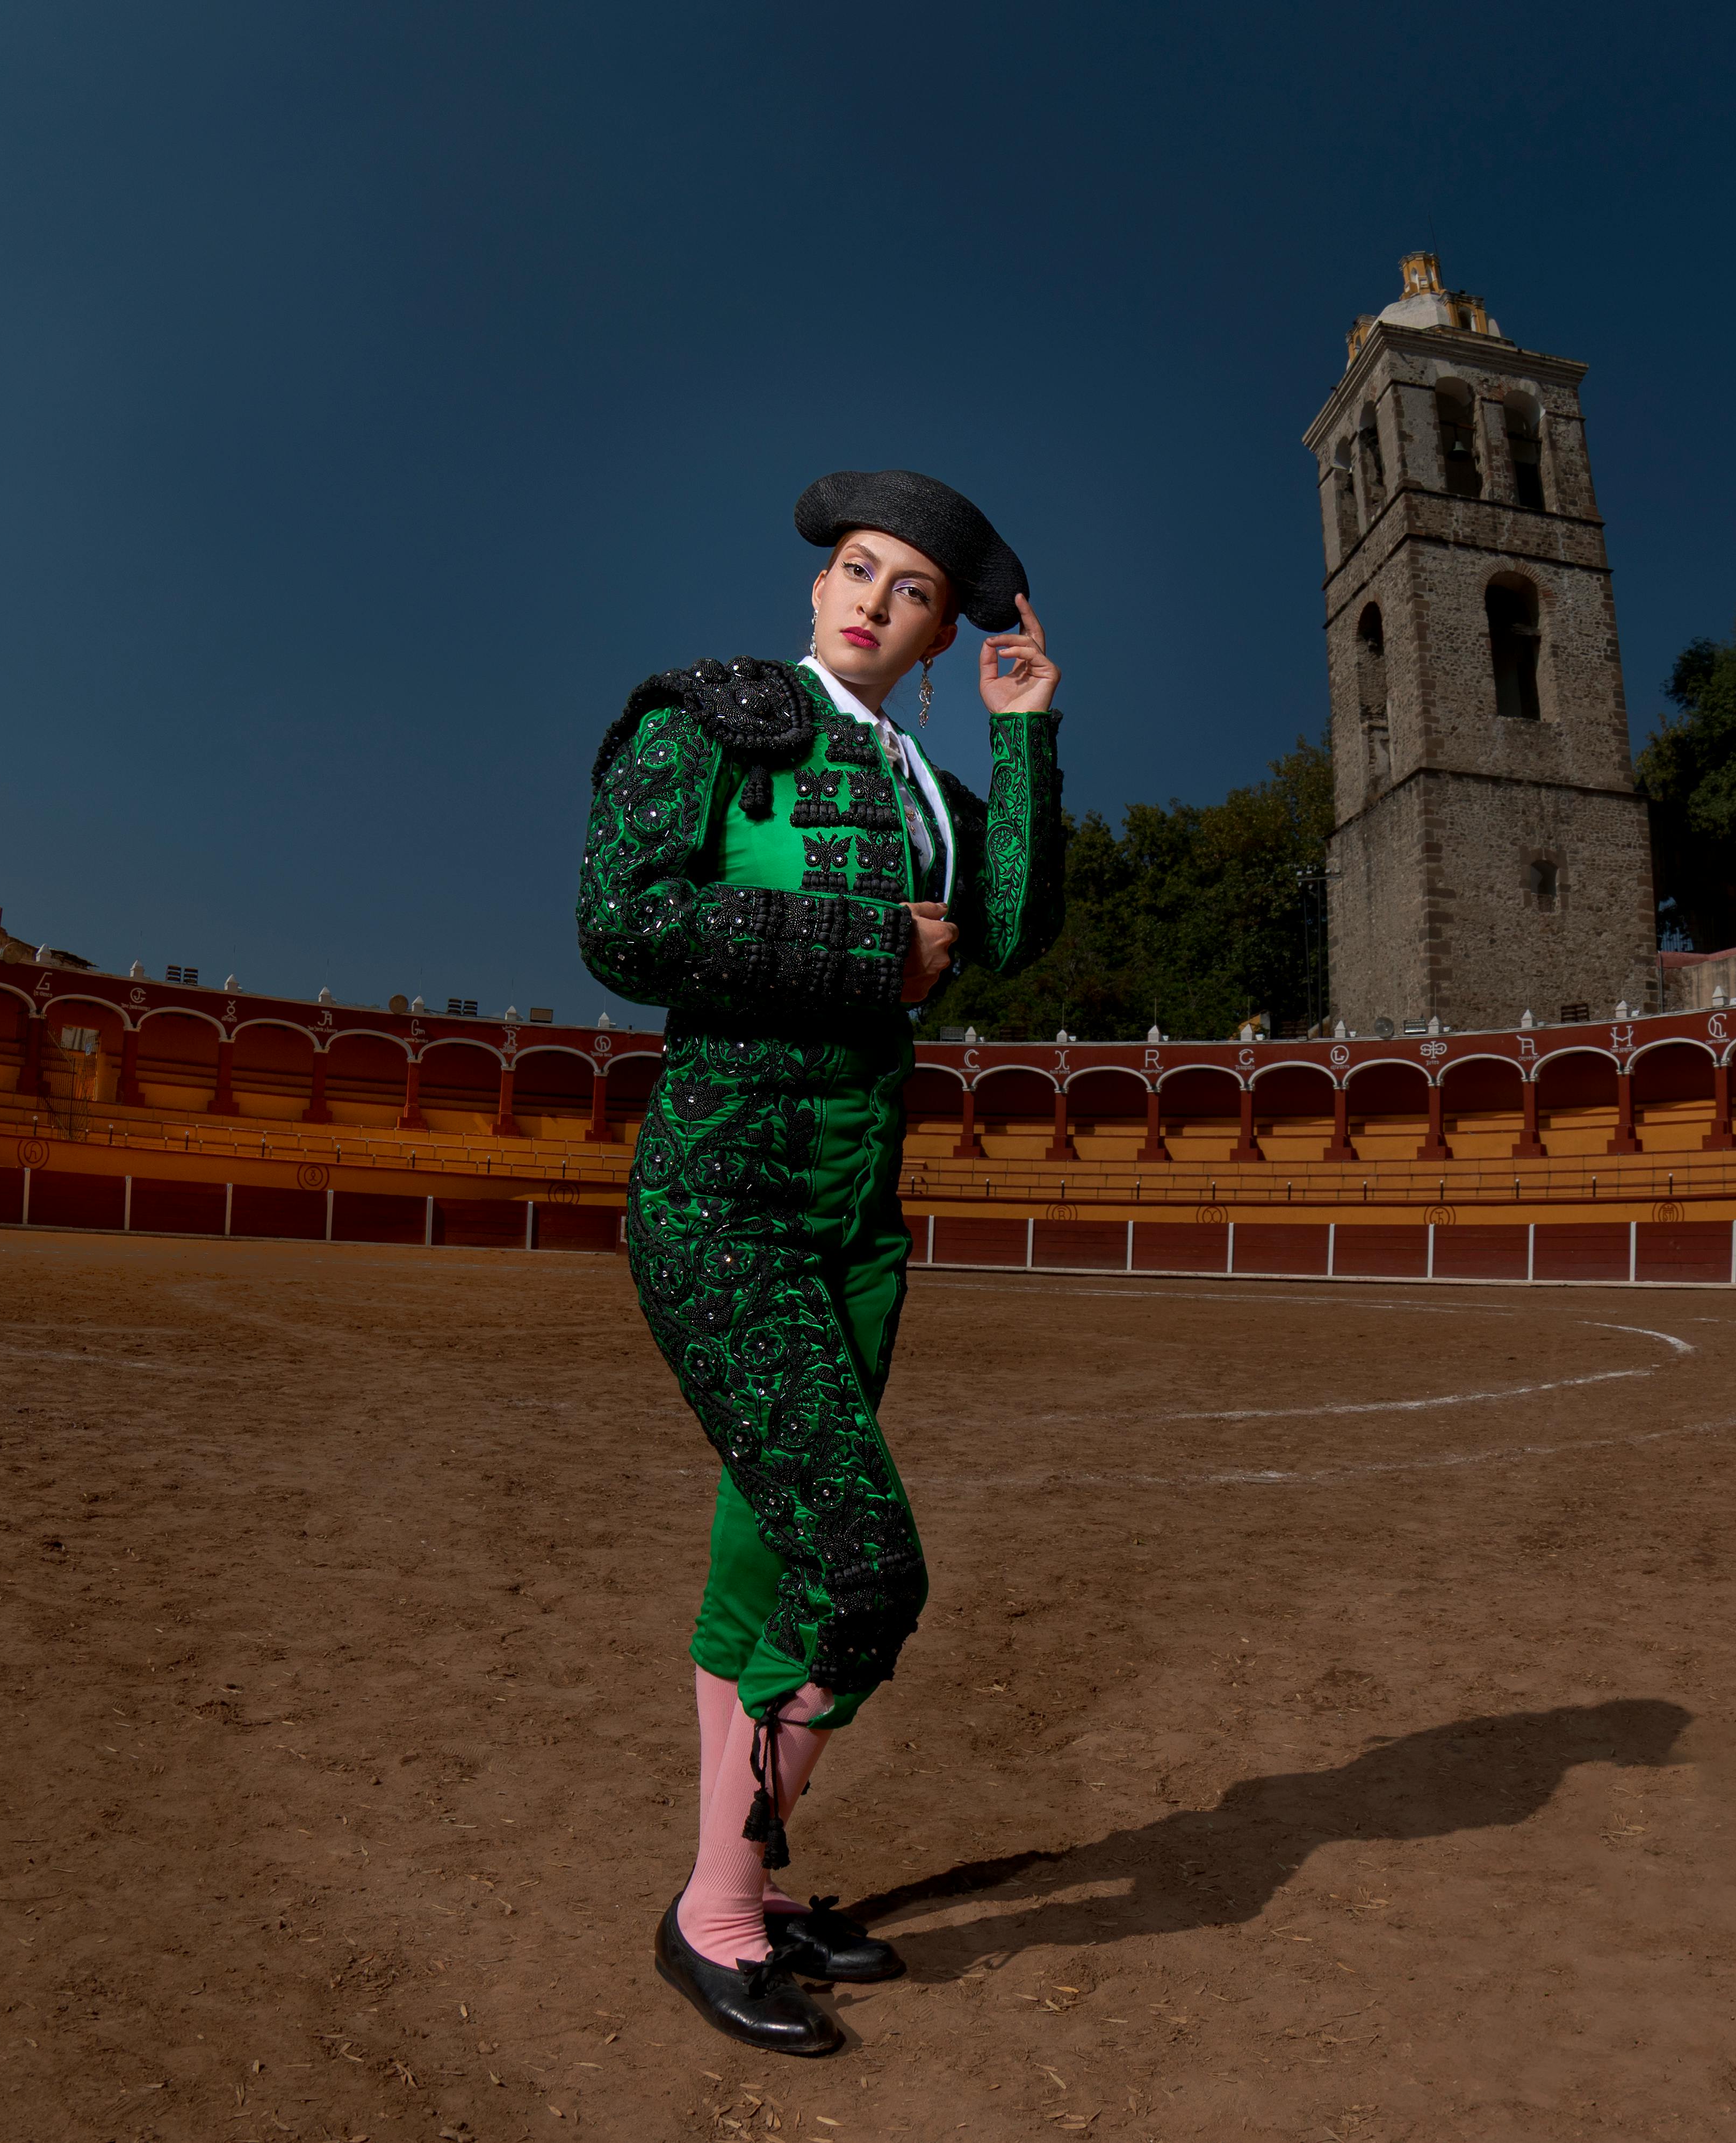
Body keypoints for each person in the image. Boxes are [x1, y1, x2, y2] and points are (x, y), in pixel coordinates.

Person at [578, 469, 1068, 2056]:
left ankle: (743, 1886)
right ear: (816, 582)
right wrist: (869, 951)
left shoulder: (926, 782)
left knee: (771, 1558)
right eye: (857, 567)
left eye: (911, 588)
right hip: (723, 1198)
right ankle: (717, 1903)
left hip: (855, 1218)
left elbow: (1009, 921)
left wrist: (1024, 730)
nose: (872, 598)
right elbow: (621, 919)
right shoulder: (708, 718)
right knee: (866, 1567)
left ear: (938, 629)